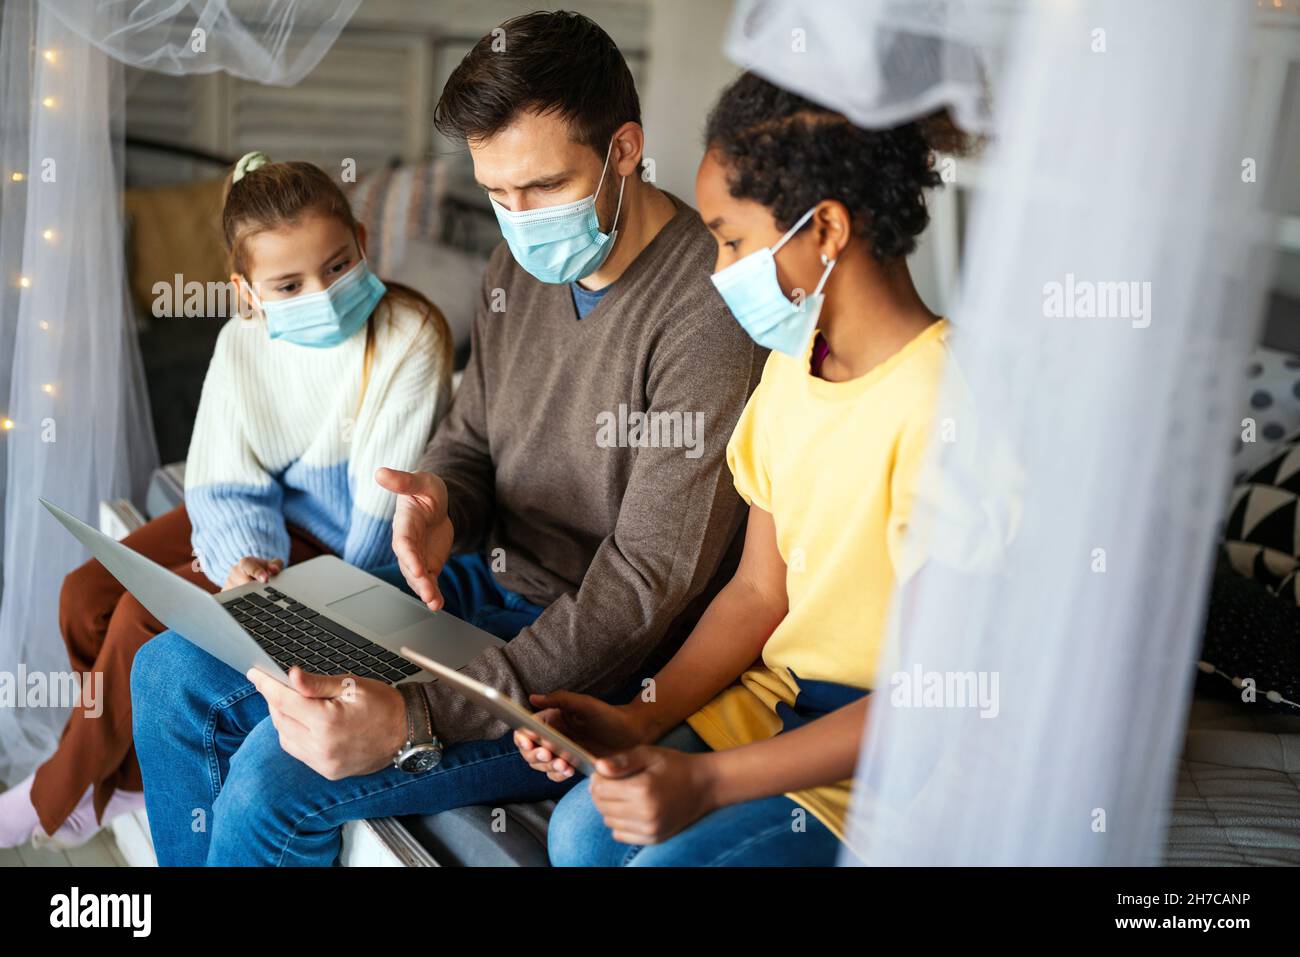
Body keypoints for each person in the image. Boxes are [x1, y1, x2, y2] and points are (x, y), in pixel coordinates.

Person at [129, 11, 763, 866]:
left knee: (269, 785)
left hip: (585, 658)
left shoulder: (709, 312)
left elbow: (646, 587)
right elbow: (470, 438)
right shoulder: (522, 263)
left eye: (541, 188)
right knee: (169, 674)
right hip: (465, 595)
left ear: (623, 150)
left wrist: (421, 715)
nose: (519, 218)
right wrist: (443, 504)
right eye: (497, 194)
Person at [517, 72, 969, 866]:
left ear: (824, 228)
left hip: (893, 761)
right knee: (580, 831)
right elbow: (760, 592)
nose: (717, 266)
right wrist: (640, 716)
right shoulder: (792, 370)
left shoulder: (946, 406)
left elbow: (928, 706)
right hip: (774, 706)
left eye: (730, 239)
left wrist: (708, 783)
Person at [0, 152, 452, 850]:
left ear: (363, 239)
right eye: (289, 282)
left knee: (137, 618)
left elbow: (373, 523)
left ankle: (61, 791)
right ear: (246, 292)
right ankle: (121, 776)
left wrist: (271, 588)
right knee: (83, 594)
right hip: (264, 517)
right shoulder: (243, 340)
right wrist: (242, 556)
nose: (323, 293)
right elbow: (222, 472)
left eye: (337, 265)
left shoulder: (409, 336)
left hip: (341, 543)